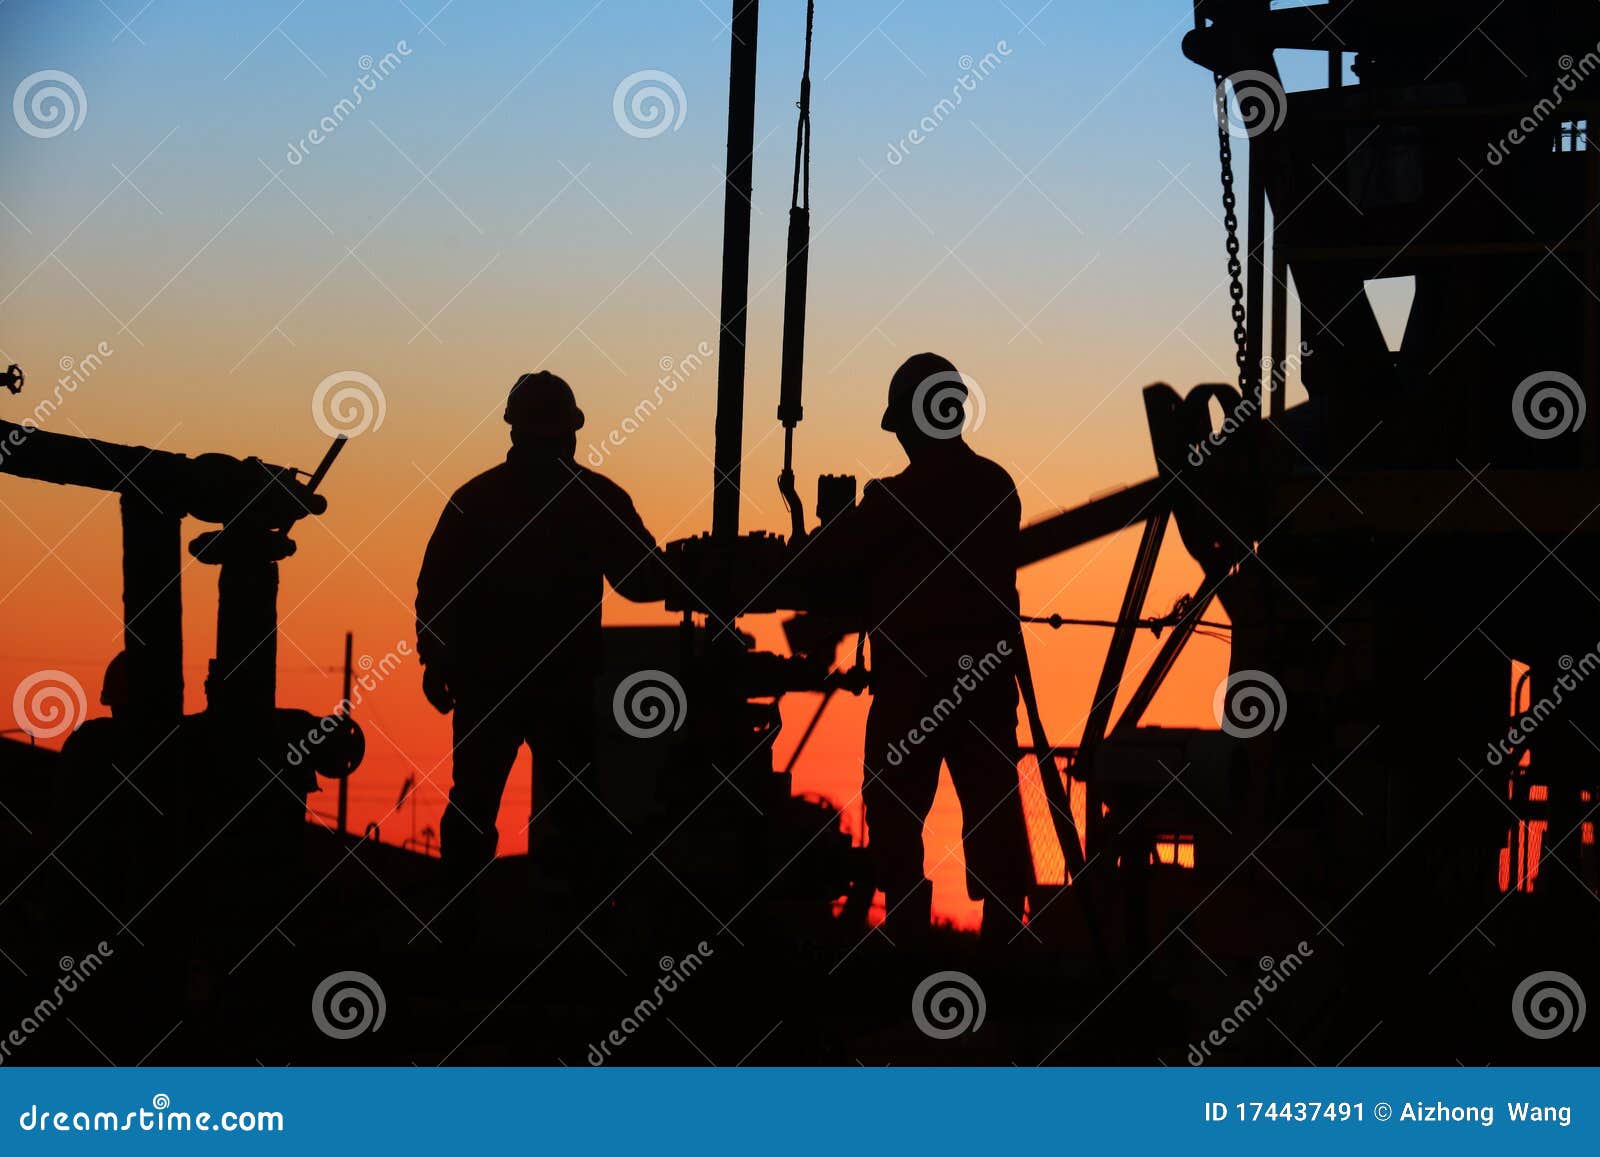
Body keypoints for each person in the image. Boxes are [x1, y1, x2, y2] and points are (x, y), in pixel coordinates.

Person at [415, 372, 671, 922]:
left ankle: (458, 927)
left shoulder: (477, 499)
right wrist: (697, 572)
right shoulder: (592, 500)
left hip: (493, 684)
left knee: (480, 806)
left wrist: (436, 660)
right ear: (567, 431)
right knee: (572, 812)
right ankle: (583, 931)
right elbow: (641, 581)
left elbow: (437, 589)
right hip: (556, 685)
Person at [796, 353, 1033, 941]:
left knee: (897, 815)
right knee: (992, 807)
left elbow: (831, 566)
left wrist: (829, 522)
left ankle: (905, 940)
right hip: (985, 680)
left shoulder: (892, 501)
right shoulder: (996, 486)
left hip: (913, 682)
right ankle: (1003, 943)